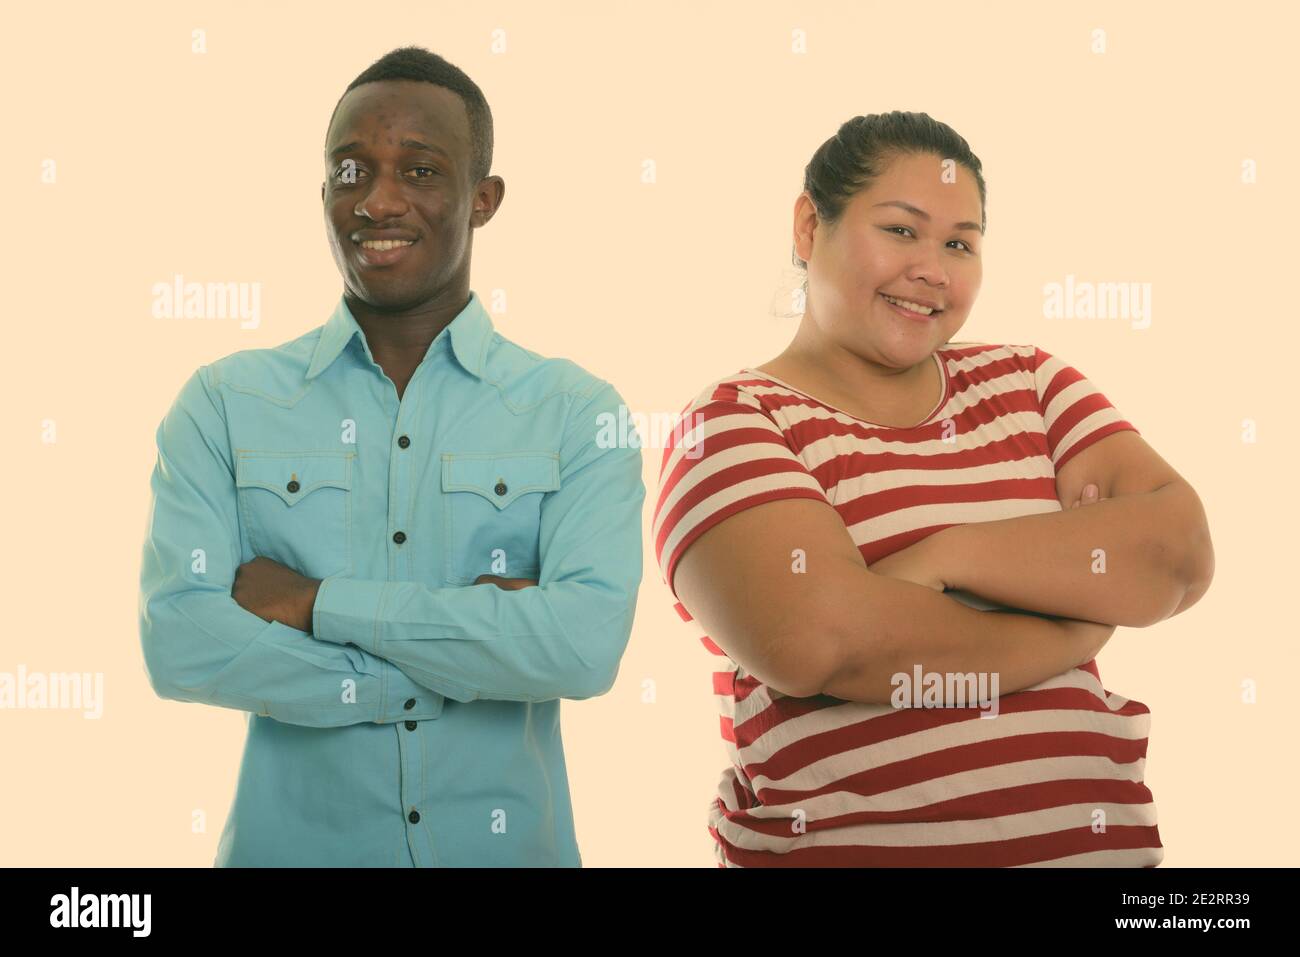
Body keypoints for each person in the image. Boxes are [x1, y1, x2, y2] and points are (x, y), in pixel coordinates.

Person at [651, 111, 1214, 867]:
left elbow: (1177, 555)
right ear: (809, 226)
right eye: (901, 231)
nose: (933, 269)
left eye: (960, 243)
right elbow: (824, 642)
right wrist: (1069, 624)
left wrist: (950, 556)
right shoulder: (729, 424)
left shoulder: (1032, 382)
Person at [138, 46, 645, 867]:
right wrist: (469, 653)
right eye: (350, 171)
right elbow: (181, 643)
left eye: (420, 170)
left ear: (484, 199)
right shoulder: (224, 404)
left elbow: (582, 648)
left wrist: (314, 603)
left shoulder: (577, 413)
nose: (379, 201)